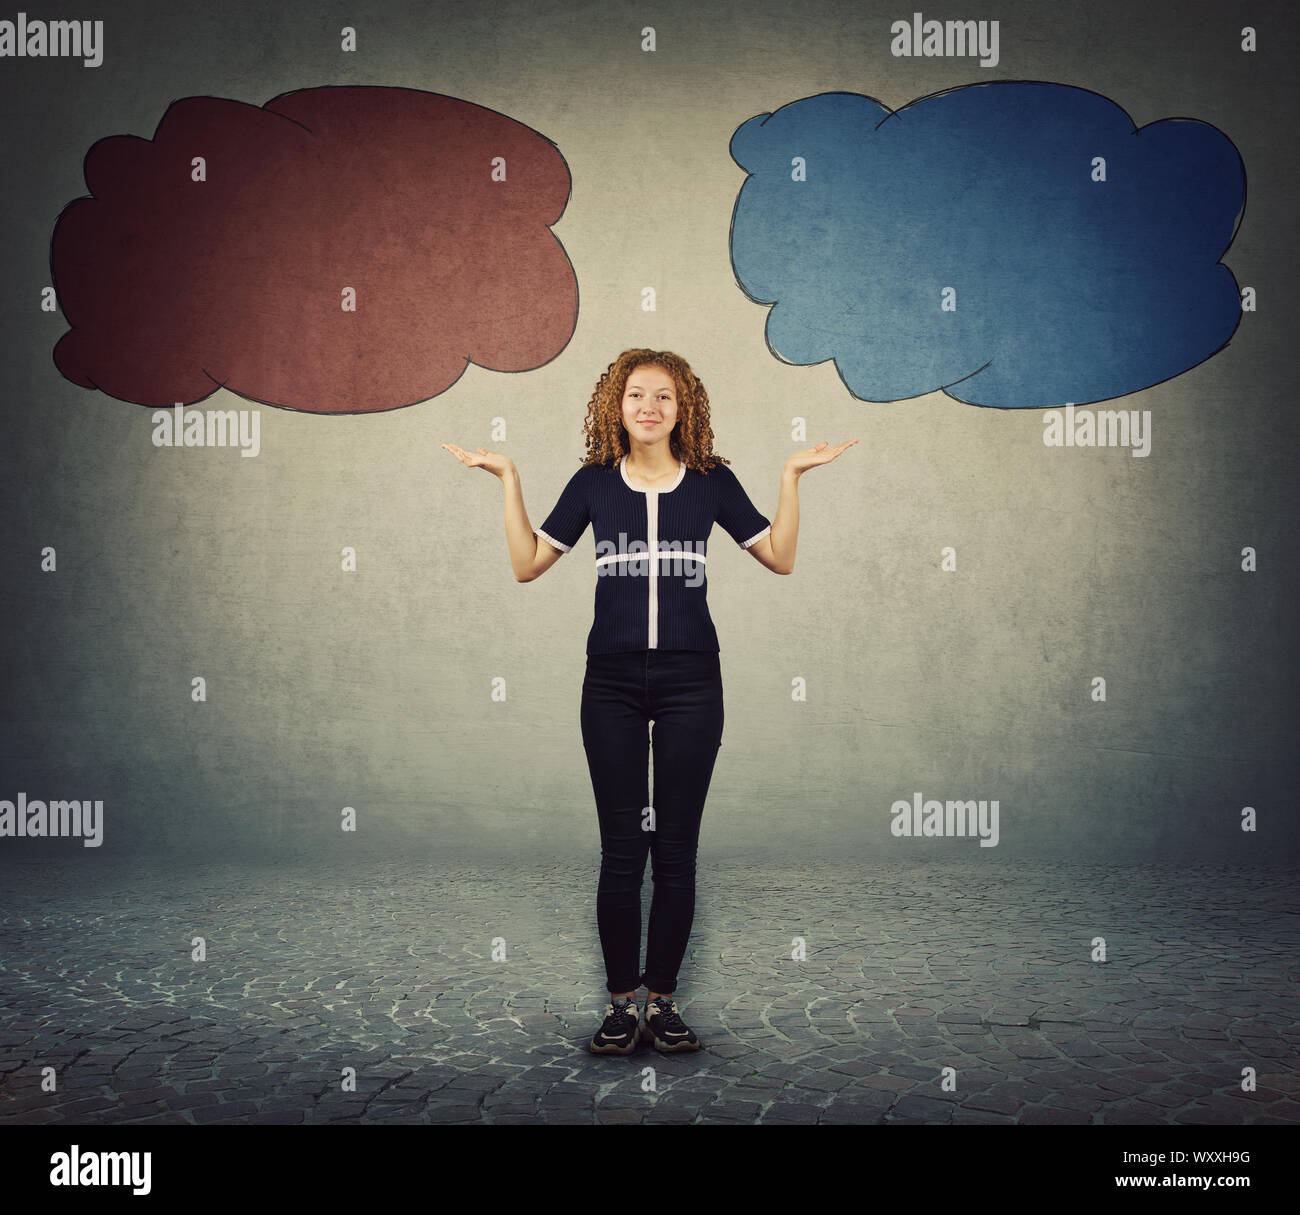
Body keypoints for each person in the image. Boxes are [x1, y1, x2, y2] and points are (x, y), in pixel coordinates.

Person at [443, 348, 856, 1055]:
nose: (649, 407)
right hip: (610, 684)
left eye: (664, 396)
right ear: (617, 405)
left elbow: (780, 556)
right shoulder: (593, 484)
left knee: (676, 848)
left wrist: (790, 476)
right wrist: (508, 478)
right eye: (636, 394)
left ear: (682, 407)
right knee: (621, 849)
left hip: (693, 681)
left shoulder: (710, 483)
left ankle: (662, 1001)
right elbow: (526, 566)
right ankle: (618, 1005)